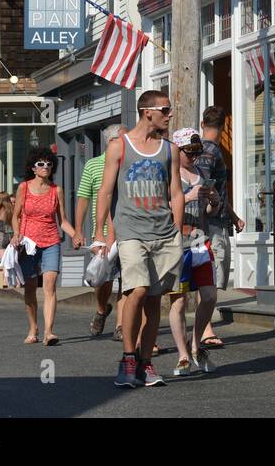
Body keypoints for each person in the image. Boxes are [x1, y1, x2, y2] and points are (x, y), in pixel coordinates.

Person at [94, 89, 182, 389]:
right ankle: (128, 357)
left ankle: (145, 363)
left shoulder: (170, 150)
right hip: (130, 231)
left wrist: (178, 229)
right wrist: (99, 231)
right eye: (166, 110)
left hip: (164, 232)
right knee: (138, 290)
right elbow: (105, 191)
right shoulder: (119, 147)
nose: (169, 115)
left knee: (155, 299)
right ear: (148, 112)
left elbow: (176, 192)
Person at [11, 147, 77, 345]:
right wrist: (16, 234)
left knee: (50, 286)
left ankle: (49, 332)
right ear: (33, 168)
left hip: (51, 241)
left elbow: (62, 220)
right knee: (30, 288)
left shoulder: (57, 190)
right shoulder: (24, 187)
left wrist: (75, 235)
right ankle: (33, 328)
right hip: (28, 244)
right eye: (41, 164)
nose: (45, 167)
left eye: (49, 164)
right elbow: (16, 216)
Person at [167, 128, 218, 377]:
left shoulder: (200, 173)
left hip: (199, 239)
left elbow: (207, 211)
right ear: (177, 149)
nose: (194, 157)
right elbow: (160, 207)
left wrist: (212, 201)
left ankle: (196, 343)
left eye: (198, 151)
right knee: (178, 301)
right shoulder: (169, 173)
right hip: (177, 241)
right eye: (190, 152)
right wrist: (187, 198)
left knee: (209, 296)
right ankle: (183, 355)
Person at [195, 106, 243, 348]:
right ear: (223, 126)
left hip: (207, 220)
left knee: (207, 276)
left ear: (203, 124)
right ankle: (205, 328)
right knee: (211, 277)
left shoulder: (199, 150)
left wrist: (233, 216)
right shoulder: (211, 151)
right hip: (210, 223)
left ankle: (202, 328)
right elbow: (206, 187)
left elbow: (213, 190)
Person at [73, 124, 126, 338]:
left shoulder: (130, 164)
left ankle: (122, 326)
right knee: (103, 278)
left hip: (128, 230)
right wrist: (78, 230)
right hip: (102, 232)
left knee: (128, 280)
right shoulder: (93, 165)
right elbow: (84, 198)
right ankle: (102, 309)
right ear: (112, 142)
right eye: (124, 139)